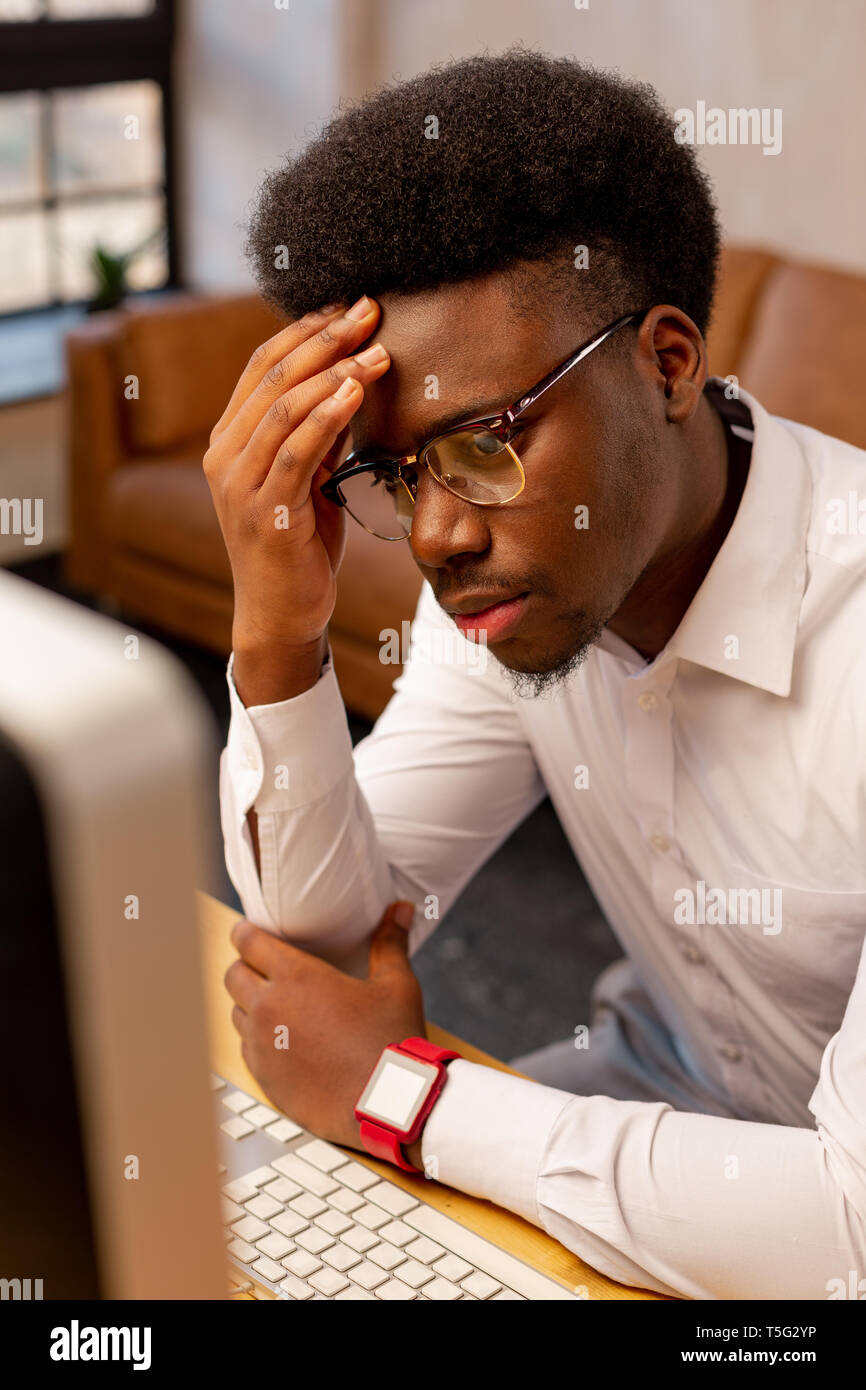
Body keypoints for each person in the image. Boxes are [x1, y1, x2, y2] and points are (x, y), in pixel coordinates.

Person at [205, 50, 866, 1299]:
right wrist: (277, 632)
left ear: (666, 363)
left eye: (486, 442)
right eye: (399, 474)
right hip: (642, 1119)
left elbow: (847, 1227)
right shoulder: (519, 604)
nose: (442, 534)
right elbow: (330, 946)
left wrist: (404, 1095)